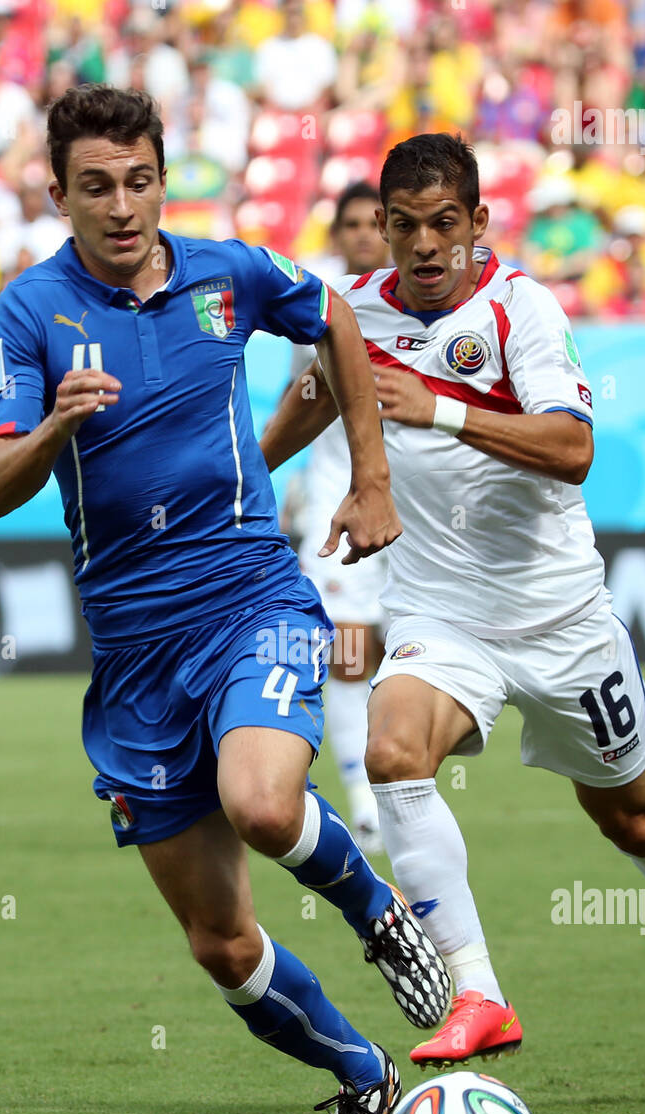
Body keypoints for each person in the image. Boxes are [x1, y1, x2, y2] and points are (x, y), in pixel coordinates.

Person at [0, 86, 450, 1114]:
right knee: (220, 940)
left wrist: (371, 480)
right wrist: (56, 422)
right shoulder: (29, 312)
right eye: (95, 186)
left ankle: (380, 912)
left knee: (265, 802)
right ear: (59, 194)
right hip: (134, 656)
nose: (122, 205)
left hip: (251, 602)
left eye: (139, 180)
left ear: (162, 182)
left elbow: (329, 309)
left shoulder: (225, 275)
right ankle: (361, 1076)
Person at [262, 132, 645, 1069]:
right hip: (443, 616)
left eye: (444, 223)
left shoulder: (521, 308)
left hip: (563, 620)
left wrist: (439, 406)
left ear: (478, 222)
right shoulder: (356, 317)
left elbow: (572, 449)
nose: (423, 245)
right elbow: (312, 402)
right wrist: (232, 485)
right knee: (392, 749)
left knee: (632, 822)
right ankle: (478, 992)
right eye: (404, 226)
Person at [279, 182, 391, 855]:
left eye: (371, 223)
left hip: (413, 509)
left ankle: (395, 783)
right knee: (345, 656)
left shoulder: (425, 309)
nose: (359, 235)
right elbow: (304, 400)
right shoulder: (315, 308)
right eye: (347, 224)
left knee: (393, 660)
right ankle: (366, 801)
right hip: (332, 503)